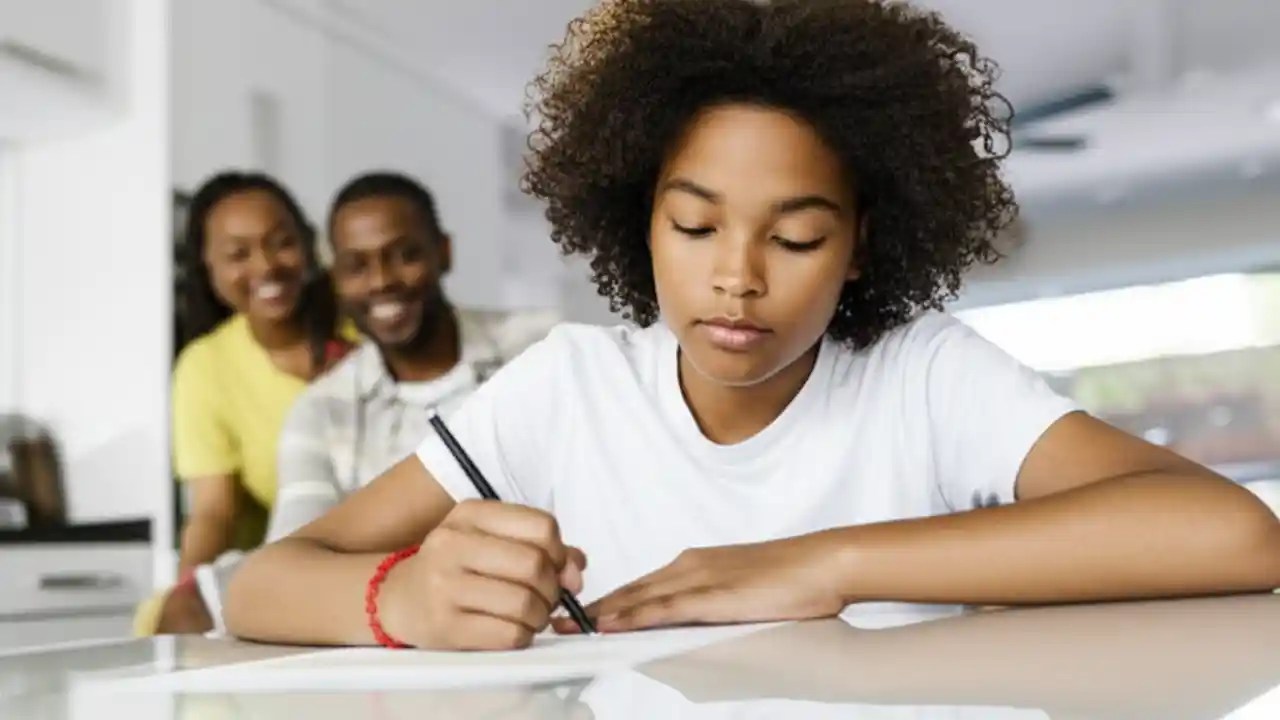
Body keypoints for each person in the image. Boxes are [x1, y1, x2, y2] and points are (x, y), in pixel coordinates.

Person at [225, 0, 1280, 651]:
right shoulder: (566, 387)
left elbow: (1232, 534)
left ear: (861, 246)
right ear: (637, 220)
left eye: (795, 238)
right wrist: (398, 600)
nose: (734, 278)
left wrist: (822, 563)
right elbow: (261, 585)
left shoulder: (918, 378)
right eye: (693, 225)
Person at [169, 172, 558, 633]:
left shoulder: (540, 349)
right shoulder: (320, 410)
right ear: (337, 278)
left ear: (444, 252)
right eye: (357, 265)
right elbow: (285, 559)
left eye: (405, 255)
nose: (382, 281)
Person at [170, 172, 349, 575]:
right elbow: (214, 513)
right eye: (238, 254)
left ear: (307, 240)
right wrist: (189, 591)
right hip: (293, 565)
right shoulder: (205, 368)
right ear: (207, 264)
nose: (266, 266)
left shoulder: (366, 321)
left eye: (282, 243)